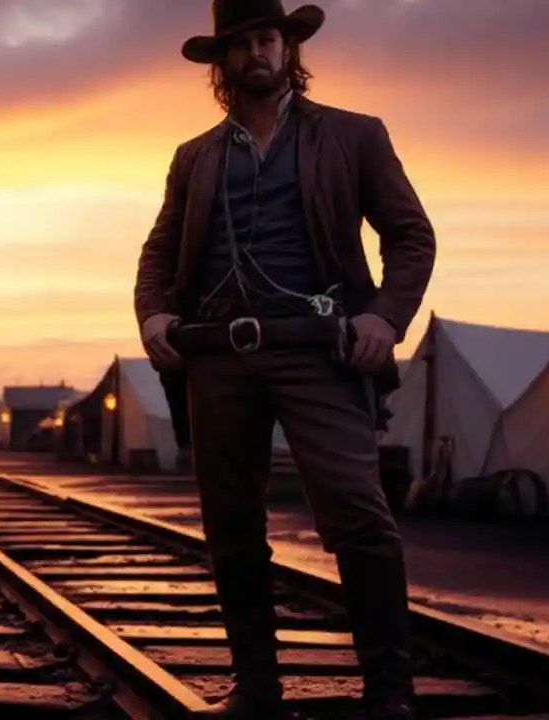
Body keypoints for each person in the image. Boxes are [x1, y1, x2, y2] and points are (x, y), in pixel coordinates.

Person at [134, 1, 436, 718]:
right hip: (217, 358)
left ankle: (390, 694)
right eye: (239, 45)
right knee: (230, 525)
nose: (256, 54)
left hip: (319, 351)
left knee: (358, 516)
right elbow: (158, 250)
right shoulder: (194, 157)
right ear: (222, 64)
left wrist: (384, 319)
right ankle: (257, 691)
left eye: (267, 39)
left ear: (288, 48)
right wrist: (152, 314)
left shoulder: (354, 136)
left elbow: (411, 236)